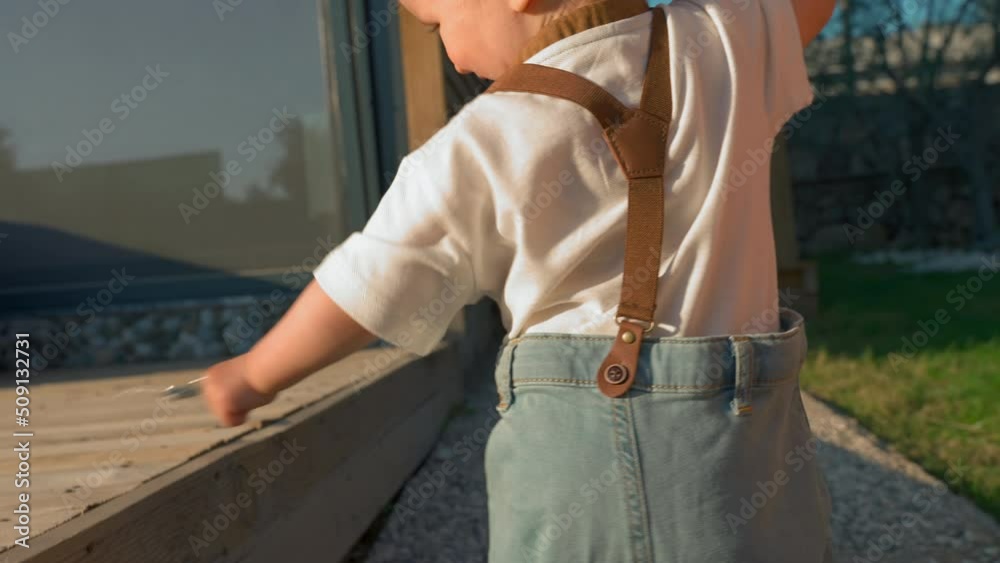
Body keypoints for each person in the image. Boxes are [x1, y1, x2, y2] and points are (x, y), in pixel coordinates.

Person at [202, 0, 837, 561]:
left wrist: (253, 376)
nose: (450, 53)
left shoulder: (478, 141)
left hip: (581, 470)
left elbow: (368, 285)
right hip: (753, 458)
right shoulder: (722, 40)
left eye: (439, 24)